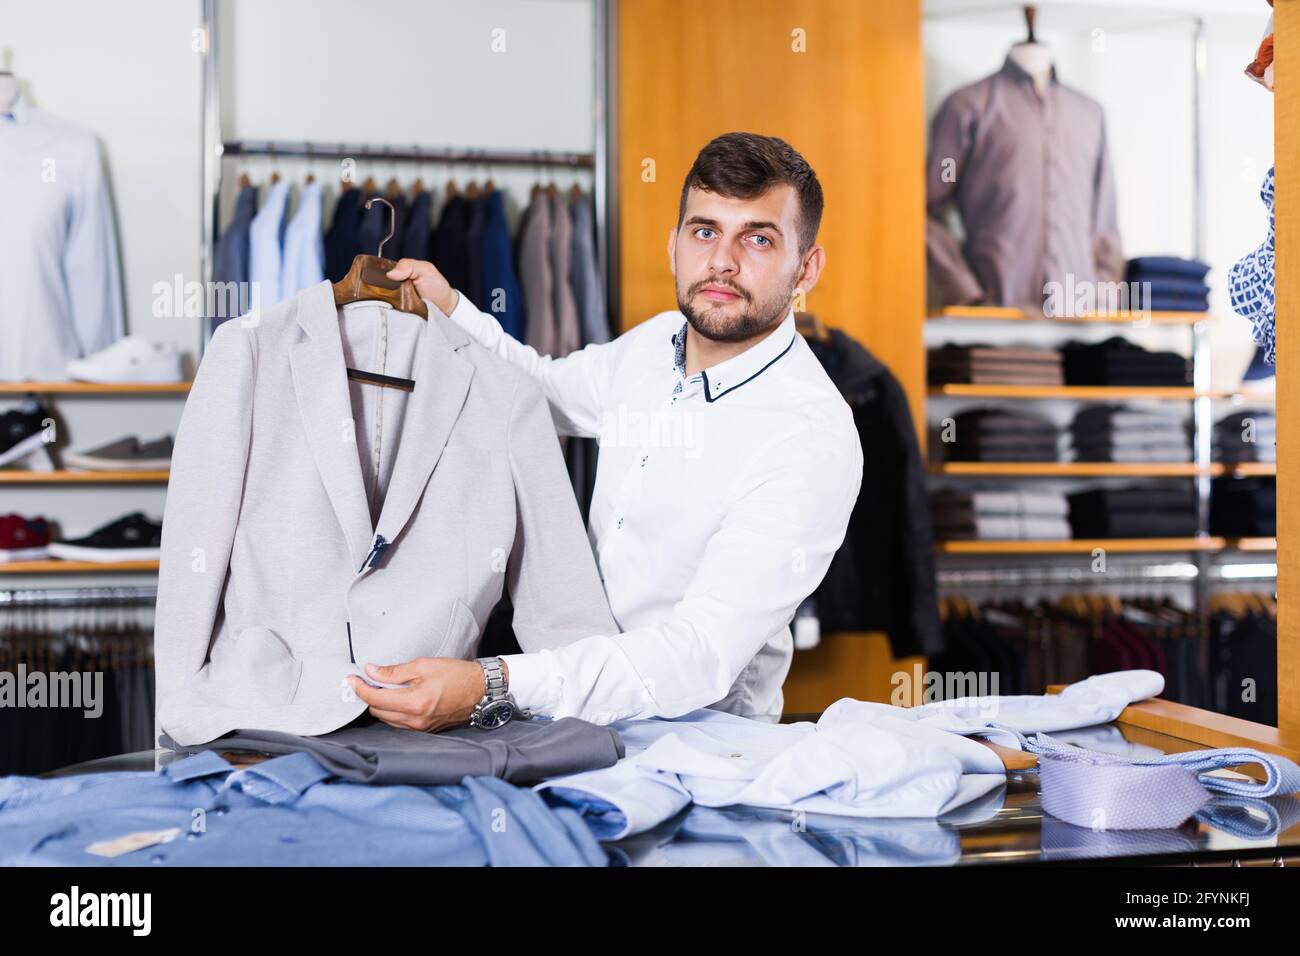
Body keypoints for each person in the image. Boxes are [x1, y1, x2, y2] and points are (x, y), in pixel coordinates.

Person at [345, 131, 863, 731]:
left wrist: (495, 683)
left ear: (807, 268)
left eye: (758, 238)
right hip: (569, 714)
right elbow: (537, 394)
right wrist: (451, 307)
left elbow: (701, 653)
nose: (723, 260)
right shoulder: (653, 343)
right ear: (674, 246)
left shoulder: (808, 437)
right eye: (705, 231)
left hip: (697, 747)